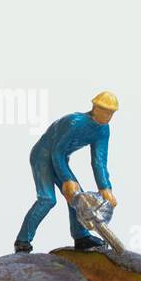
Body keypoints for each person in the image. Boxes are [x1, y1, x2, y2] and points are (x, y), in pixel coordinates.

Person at [14, 91, 120, 253]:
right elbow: (57, 151)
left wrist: (106, 188)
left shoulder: (103, 130)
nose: (108, 115)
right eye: (105, 110)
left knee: (78, 199)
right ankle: (22, 241)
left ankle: (81, 237)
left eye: (111, 112)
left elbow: (99, 161)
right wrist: (67, 179)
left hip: (60, 159)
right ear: (95, 107)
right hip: (43, 156)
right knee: (47, 199)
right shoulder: (75, 122)